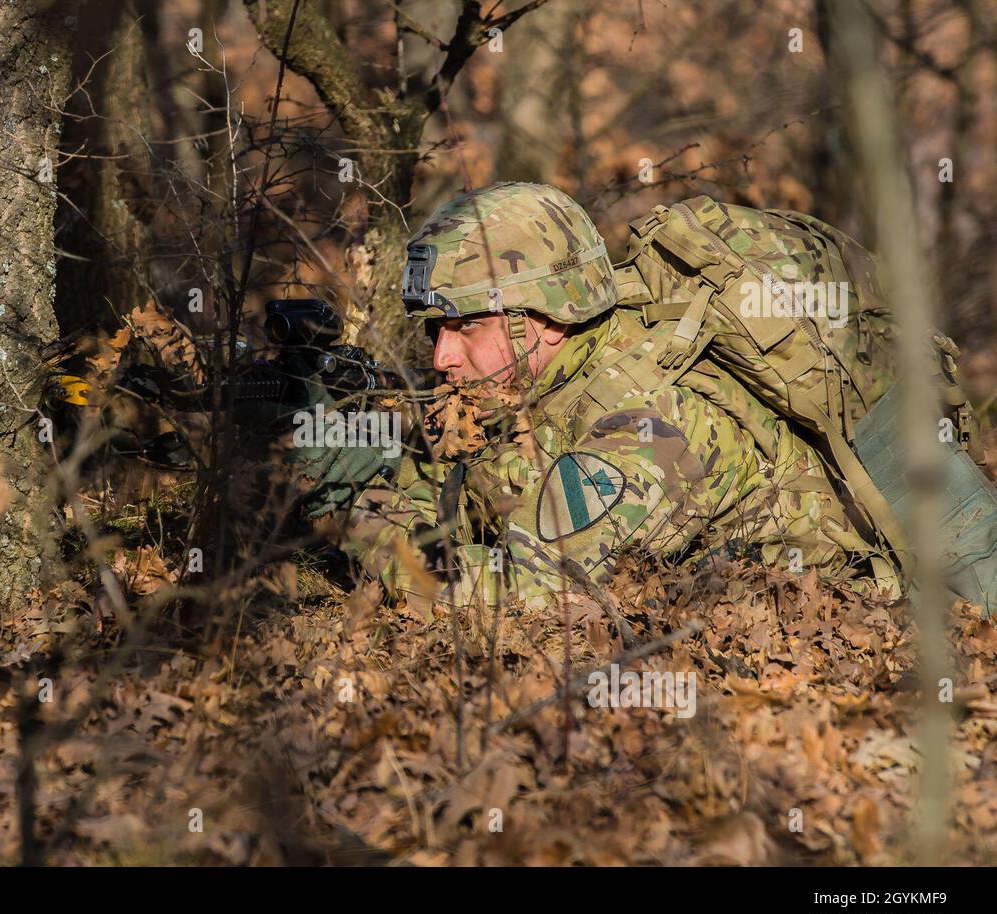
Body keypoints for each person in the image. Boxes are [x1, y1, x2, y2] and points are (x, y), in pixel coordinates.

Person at [334, 182, 900, 611]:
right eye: (435, 329)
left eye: (466, 327)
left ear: (547, 320)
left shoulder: (647, 422)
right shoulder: (519, 385)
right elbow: (434, 511)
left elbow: (525, 599)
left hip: (820, 625)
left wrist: (359, 523)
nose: (441, 358)